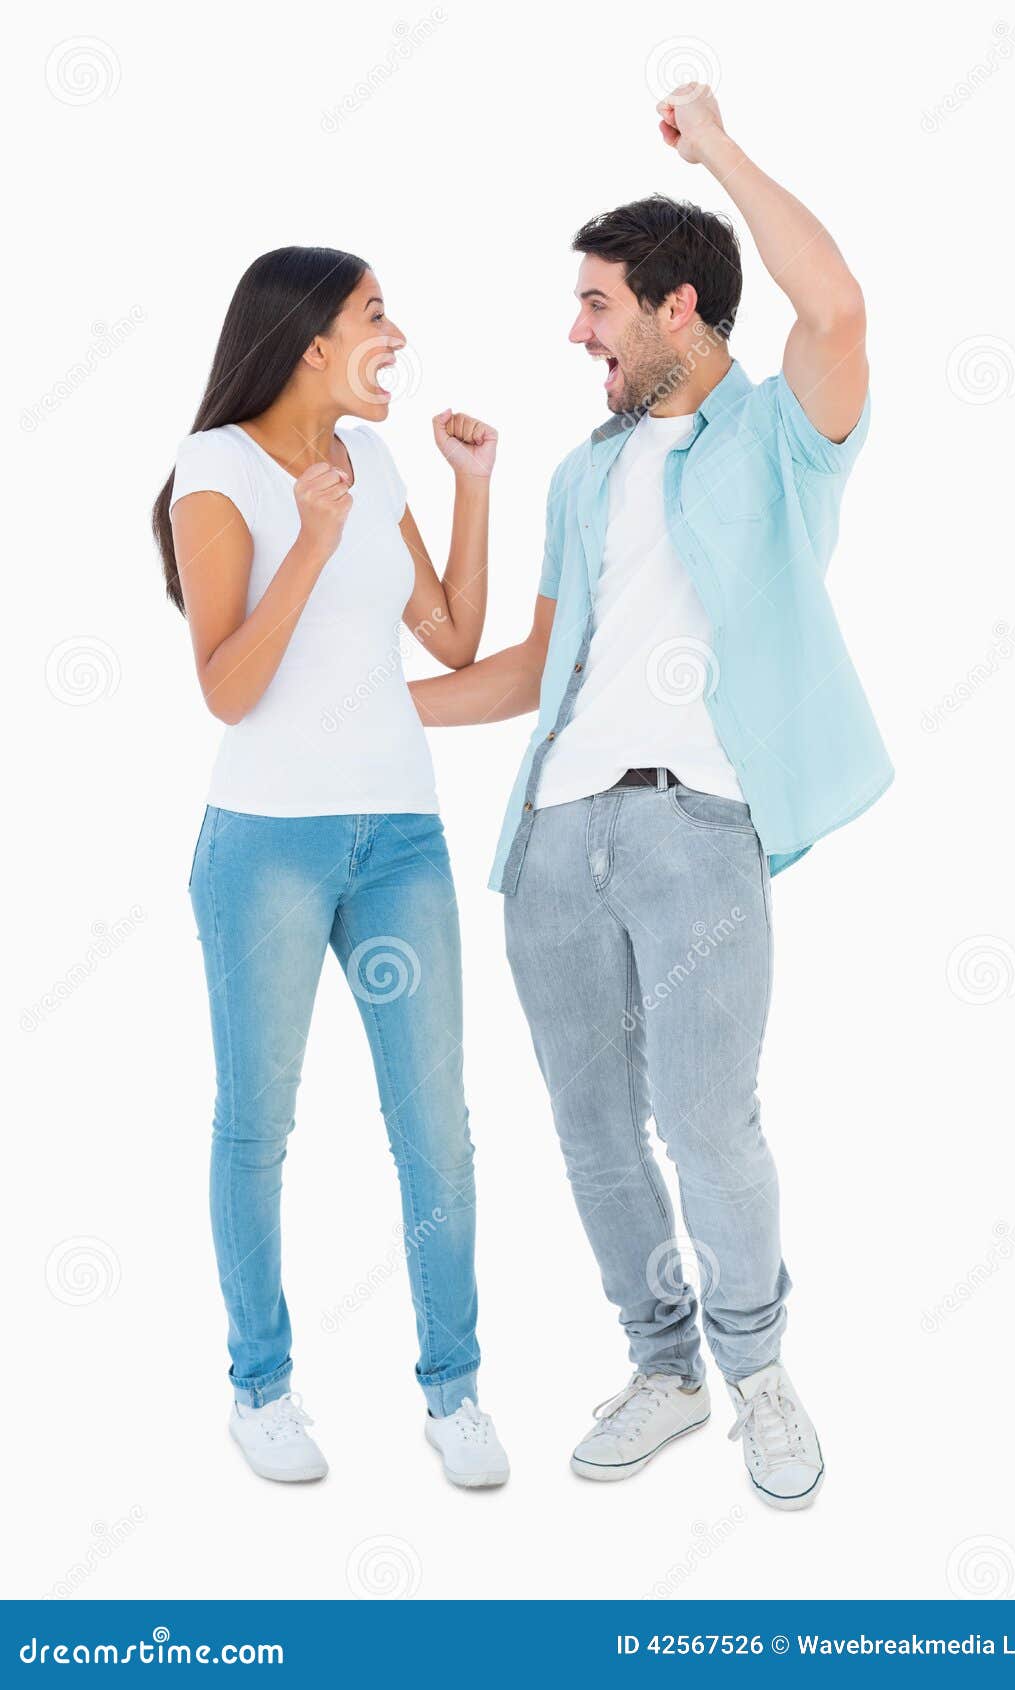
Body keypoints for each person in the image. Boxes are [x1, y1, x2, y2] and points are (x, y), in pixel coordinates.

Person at [410, 86, 892, 1509]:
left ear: (678, 310)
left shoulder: (776, 442)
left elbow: (838, 304)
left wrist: (717, 152)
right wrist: (365, 700)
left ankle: (757, 1376)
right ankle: (664, 1365)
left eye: (596, 304)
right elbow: (529, 668)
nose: (575, 330)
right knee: (587, 1123)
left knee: (707, 1117)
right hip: (555, 836)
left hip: (697, 832)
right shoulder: (581, 471)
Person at [153, 245, 508, 1489]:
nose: (394, 333)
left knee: (438, 1134)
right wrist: (306, 539)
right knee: (258, 1125)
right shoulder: (216, 470)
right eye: (372, 315)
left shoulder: (379, 457)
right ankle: (261, 1386)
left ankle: (453, 1389)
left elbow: (454, 634)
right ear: (308, 338)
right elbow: (226, 689)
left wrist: (470, 487)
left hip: (399, 832)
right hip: (268, 845)